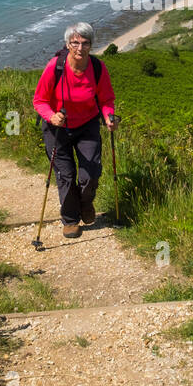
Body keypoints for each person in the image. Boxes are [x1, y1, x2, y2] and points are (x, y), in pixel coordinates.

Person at [32, 22, 119, 238]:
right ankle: (70, 220)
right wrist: (51, 116)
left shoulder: (97, 67)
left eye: (85, 43)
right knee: (66, 175)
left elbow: (106, 98)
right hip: (57, 128)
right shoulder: (55, 66)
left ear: (91, 45)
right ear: (67, 44)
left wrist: (109, 116)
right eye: (75, 43)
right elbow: (39, 100)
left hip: (87, 124)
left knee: (91, 173)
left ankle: (85, 202)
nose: (80, 48)